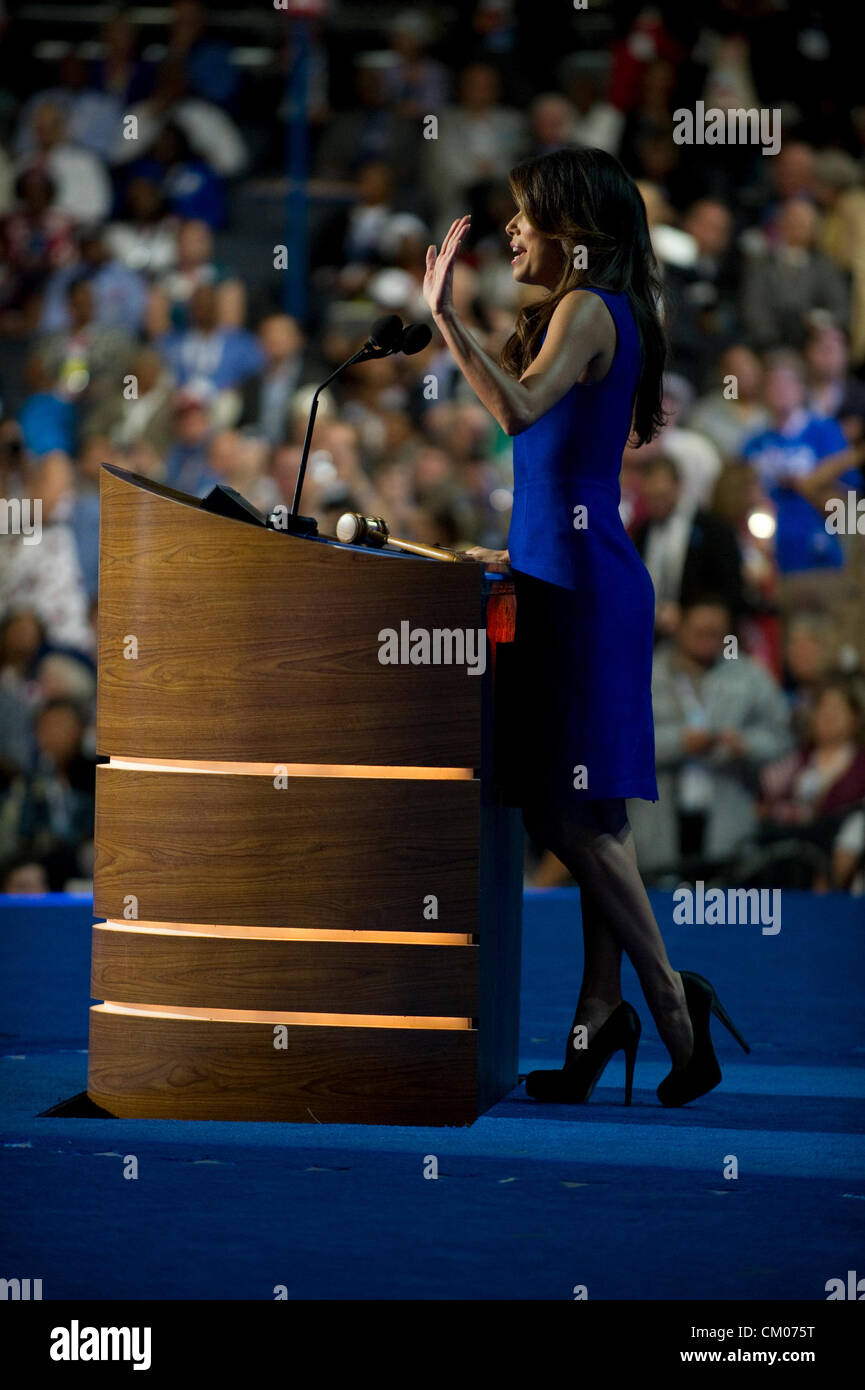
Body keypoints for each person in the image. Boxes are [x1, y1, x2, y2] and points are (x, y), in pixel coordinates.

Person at [422, 147, 750, 1108]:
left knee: (564, 810)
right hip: (564, 572)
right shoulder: (601, 313)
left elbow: (519, 411)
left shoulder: (587, 309)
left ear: (574, 230)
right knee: (589, 808)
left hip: (579, 588)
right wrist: (507, 554)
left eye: (525, 215)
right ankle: (597, 1010)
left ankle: (670, 1003)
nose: (511, 230)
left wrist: (444, 313)